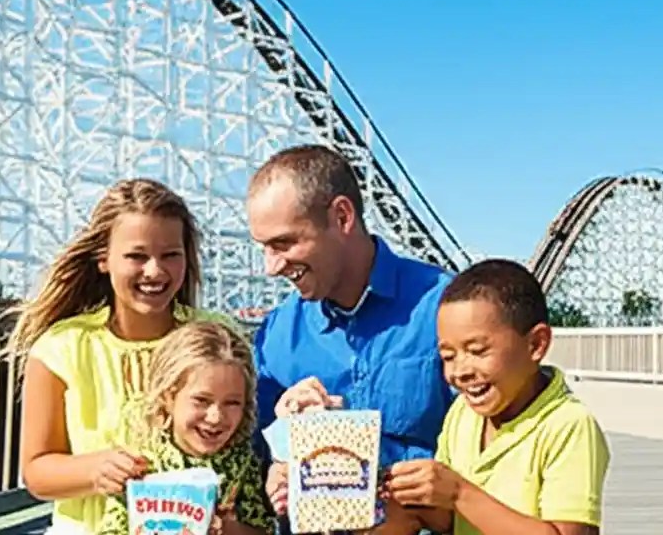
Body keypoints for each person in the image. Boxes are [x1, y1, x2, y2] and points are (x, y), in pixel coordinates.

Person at [8, 178, 262, 533]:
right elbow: (36, 471)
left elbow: (248, 444)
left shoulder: (221, 338)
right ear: (103, 260)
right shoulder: (63, 346)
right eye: (136, 256)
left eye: (171, 255)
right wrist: (96, 469)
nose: (155, 270)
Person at [246, 145, 455, 519]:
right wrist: (279, 453)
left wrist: (356, 451)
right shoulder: (276, 335)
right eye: (264, 247)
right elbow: (251, 458)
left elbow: (498, 452)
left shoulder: (446, 308)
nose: (271, 267)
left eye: (283, 243)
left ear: (342, 216)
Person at [378, 259, 611, 535]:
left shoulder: (568, 426)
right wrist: (410, 504)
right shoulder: (463, 413)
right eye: (448, 357)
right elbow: (454, 522)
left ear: (536, 344)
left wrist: (456, 492)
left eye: (477, 351)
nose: (460, 371)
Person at [99, 320, 273, 535]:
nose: (215, 417)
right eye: (201, 400)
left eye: (232, 403)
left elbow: (263, 529)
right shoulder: (140, 465)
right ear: (168, 397)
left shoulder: (245, 462)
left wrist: (225, 528)